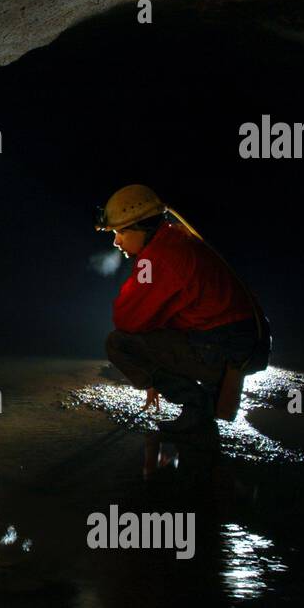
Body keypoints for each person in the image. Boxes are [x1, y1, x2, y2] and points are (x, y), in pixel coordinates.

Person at [94, 185, 266, 438]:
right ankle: (206, 396)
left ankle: (196, 406)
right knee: (159, 330)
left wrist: (153, 375)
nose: (116, 240)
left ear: (143, 226)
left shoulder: (158, 257)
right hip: (239, 344)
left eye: (121, 231)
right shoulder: (175, 239)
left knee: (119, 343)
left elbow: (126, 318)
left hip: (225, 349)